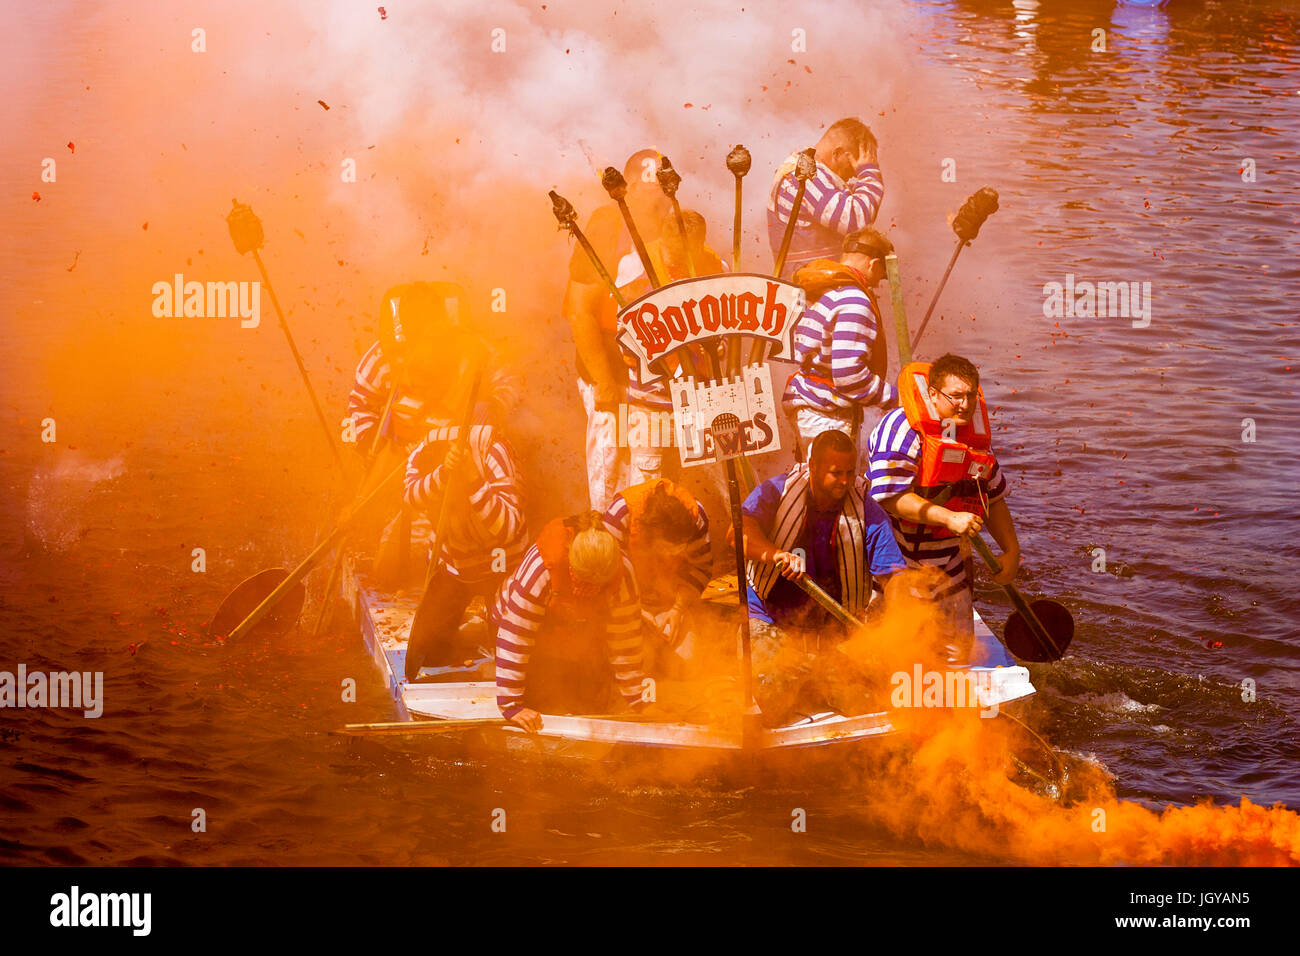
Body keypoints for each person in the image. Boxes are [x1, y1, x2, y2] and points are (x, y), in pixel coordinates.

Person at [346, 282, 519, 585]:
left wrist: (494, 408)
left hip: (470, 483)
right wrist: (361, 503)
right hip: (421, 481)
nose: (408, 359)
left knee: (447, 566)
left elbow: (513, 385)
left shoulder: (478, 355)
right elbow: (392, 447)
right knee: (386, 574)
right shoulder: (394, 362)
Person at [739, 429, 907, 725]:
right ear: (812, 467)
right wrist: (776, 554)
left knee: (867, 703)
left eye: (849, 472)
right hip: (770, 621)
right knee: (774, 701)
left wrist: (893, 633)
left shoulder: (867, 509)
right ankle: (795, 678)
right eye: (834, 473)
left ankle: (815, 677)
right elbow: (738, 535)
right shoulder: (774, 492)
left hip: (834, 635)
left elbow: (894, 579)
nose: (844, 481)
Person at [866, 353, 1020, 663]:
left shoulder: (974, 436)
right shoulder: (901, 430)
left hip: (951, 562)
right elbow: (888, 497)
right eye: (955, 397)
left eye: (970, 396)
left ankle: (950, 706)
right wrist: (948, 517)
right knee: (895, 653)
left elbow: (994, 496)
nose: (964, 405)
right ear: (933, 395)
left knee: (956, 656)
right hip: (898, 559)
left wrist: (1011, 550)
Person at [561, 149, 673, 512]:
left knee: (645, 475)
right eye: (650, 187)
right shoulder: (608, 222)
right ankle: (604, 545)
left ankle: (641, 550)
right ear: (629, 186)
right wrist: (603, 379)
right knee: (609, 465)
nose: (657, 197)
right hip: (611, 372)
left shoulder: (670, 226)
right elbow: (580, 309)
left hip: (654, 380)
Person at [402, 407, 528, 681]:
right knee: (431, 655)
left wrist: (472, 478)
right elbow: (411, 496)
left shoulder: (495, 451)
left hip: (502, 562)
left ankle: (492, 618)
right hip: (455, 566)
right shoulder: (428, 447)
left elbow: (507, 528)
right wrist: (443, 475)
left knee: (509, 657)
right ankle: (473, 626)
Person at [492, 512, 648, 733]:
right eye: (585, 582)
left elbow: (626, 641)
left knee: (588, 704)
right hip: (516, 629)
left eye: (599, 585)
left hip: (575, 630)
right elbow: (514, 636)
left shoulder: (624, 576)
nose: (591, 591)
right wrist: (511, 705)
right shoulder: (541, 570)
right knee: (541, 705)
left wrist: (640, 700)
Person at [783, 227, 898, 461]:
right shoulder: (855, 301)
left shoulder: (823, 290)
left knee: (810, 482)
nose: (877, 284)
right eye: (880, 276)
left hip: (807, 406)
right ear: (874, 264)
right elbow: (850, 378)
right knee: (835, 491)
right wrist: (897, 399)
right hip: (826, 415)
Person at [603, 479, 712, 678]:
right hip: (626, 608)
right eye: (666, 549)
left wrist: (677, 609)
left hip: (672, 607)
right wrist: (638, 613)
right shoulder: (620, 516)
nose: (672, 556)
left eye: (679, 548)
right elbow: (605, 579)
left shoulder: (697, 518)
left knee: (689, 666)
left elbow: (701, 569)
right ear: (650, 535)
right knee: (638, 667)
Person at [767, 117, 885, 280]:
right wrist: (869, 172)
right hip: (807, 290)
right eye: (851, 169)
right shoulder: (805, 175)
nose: (852, 176)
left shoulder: (806, 169)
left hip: (812, 283)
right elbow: (856, 220)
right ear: (837, 154)